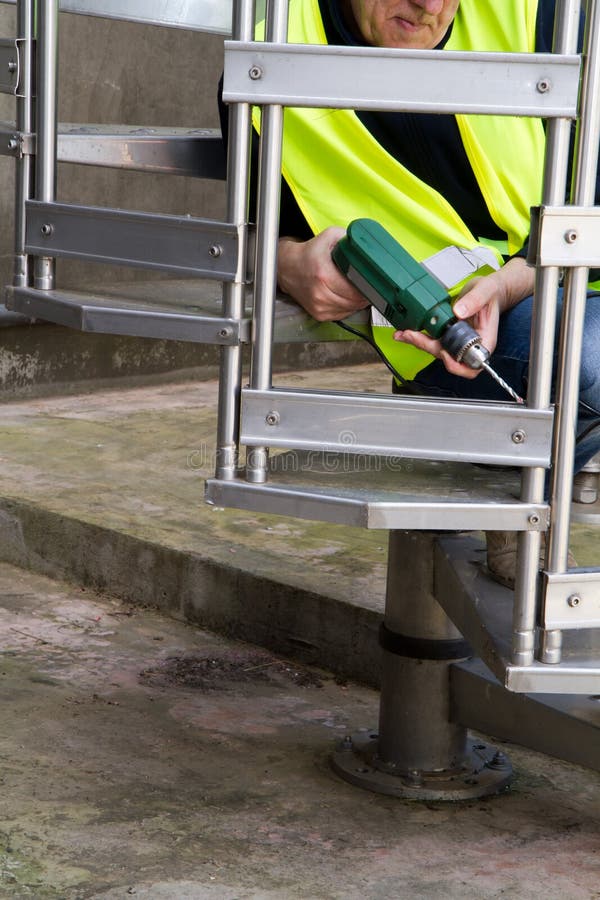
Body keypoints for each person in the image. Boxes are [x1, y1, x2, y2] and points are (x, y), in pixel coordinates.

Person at [221, 0, 600, 587]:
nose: (428, 5)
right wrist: (287, 262)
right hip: (447, 341)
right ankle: (526, 484)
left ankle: (527, 477)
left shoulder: (535, 15)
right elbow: (242, 231)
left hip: (558, 280)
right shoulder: (272, 57)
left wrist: (511, 280)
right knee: (587, 365)